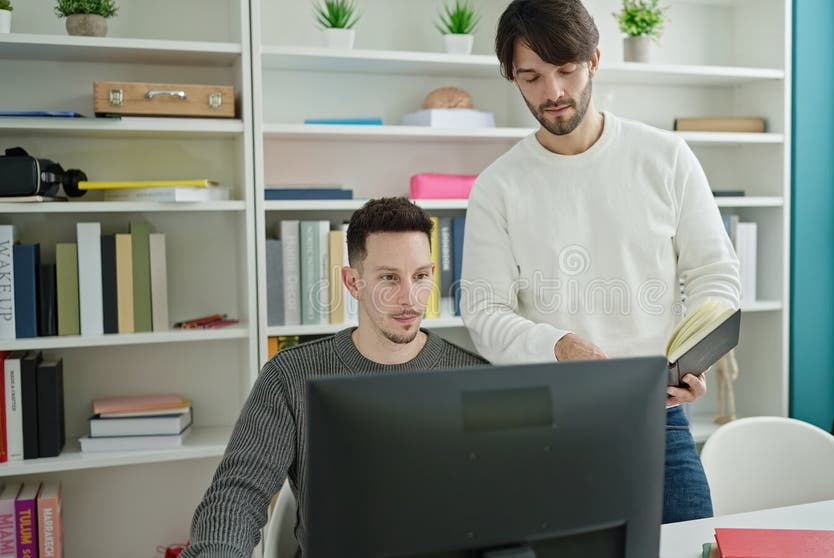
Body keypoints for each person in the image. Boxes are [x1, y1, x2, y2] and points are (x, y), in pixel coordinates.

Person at [460, 0, 741, 523]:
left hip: (657, 417)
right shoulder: (498, 187)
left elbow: (714, 274)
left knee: (693, 545)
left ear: (594, 60)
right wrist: (558, 345)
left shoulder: (666, 157)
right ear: (512, 78)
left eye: (565, 70)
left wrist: (696, 356)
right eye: (532, 77)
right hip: (549, 424)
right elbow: (483, 312)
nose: (553, 93)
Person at [183, 197, 487, 558]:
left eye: (420, 276)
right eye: (389, 278)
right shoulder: (291, 376)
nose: (409, 297)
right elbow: (238, 493)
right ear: (353, 282)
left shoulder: (476, 378)